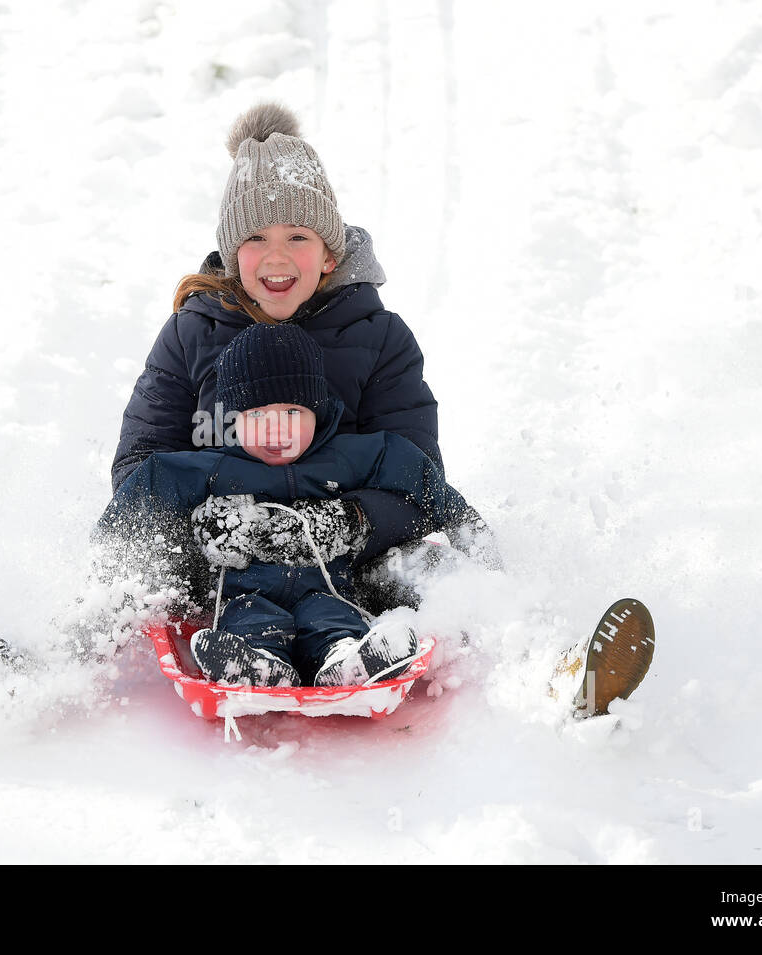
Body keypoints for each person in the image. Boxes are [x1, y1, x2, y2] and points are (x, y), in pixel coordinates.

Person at [110, 102, 501, 598]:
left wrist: (348, 522)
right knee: (132, 572)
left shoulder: (378, 338)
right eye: (255, 237)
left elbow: (418, 475)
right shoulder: (192, 334)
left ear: (329, 254)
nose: (277, 256)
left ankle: (529, 657)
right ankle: (46, 664)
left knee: (431, 567)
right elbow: (138, 468)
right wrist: (211, 526)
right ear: (233, 253)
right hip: (222, 569)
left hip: (351, 569)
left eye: (298, 236)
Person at [98, 321, 474, 687]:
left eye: (292, 413)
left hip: (326, 586)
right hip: (246, 589)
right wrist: (116, 557)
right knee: (249, 618)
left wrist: (470, 531)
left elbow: (423, 480)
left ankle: (345, 660)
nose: (276, 430)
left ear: (318, 411)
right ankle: (257, 662)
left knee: (332, 617)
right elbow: (144, 491)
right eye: (258, 415)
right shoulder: (212, 468)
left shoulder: (347, 457)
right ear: (233, 418)